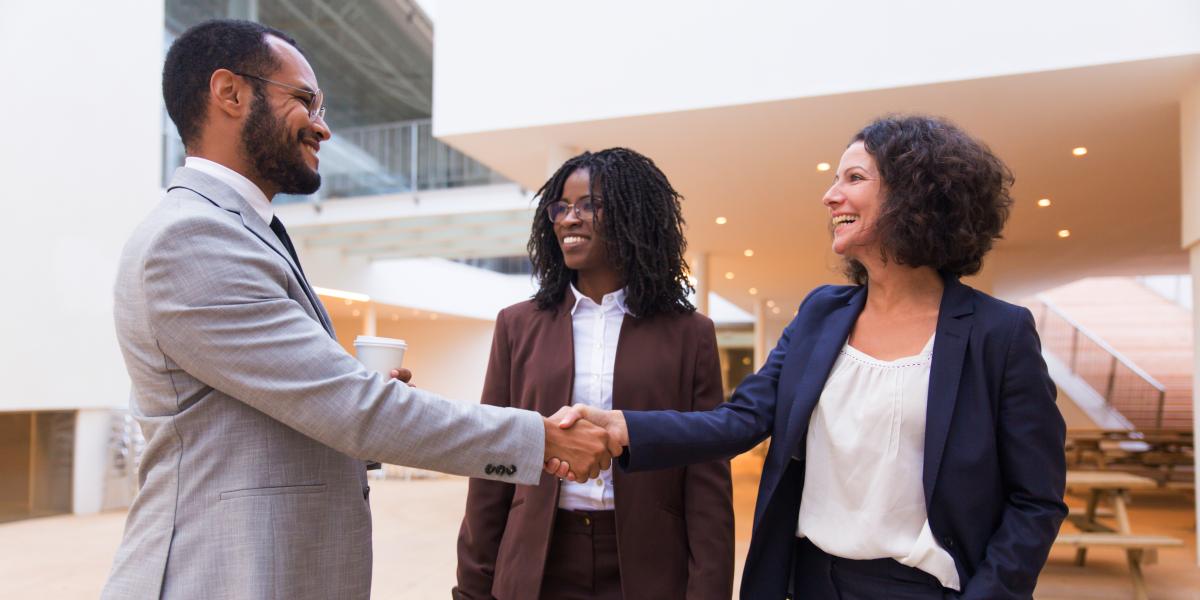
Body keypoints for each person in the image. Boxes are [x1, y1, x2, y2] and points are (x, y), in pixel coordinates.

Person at [102, 19, 610, 600]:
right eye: (305, 100)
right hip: (219, 575)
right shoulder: (192, 238)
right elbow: (353, 409)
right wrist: (541, 440)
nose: (322, 125)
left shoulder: (240, 230)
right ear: (231, 93)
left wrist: (357, 409)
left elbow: (312, 411)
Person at [553, 116, 1069, 599]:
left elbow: (1036, 500)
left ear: (916, 194)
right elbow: (740, 420)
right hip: (809, 579)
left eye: (854, 177)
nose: (830, 195)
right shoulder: (822, 313)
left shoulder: (998, 334)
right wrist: (622, 427)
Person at [454, 148, 734, 600]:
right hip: (537, 563)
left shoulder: (690, 334)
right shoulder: (517, 325)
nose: (569, 219)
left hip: (648, 569)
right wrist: (472, 587)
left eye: (589, 205)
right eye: (561, 207)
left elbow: (707, 479)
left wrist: (709, 590)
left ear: (633, 216)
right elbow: (493, 459)